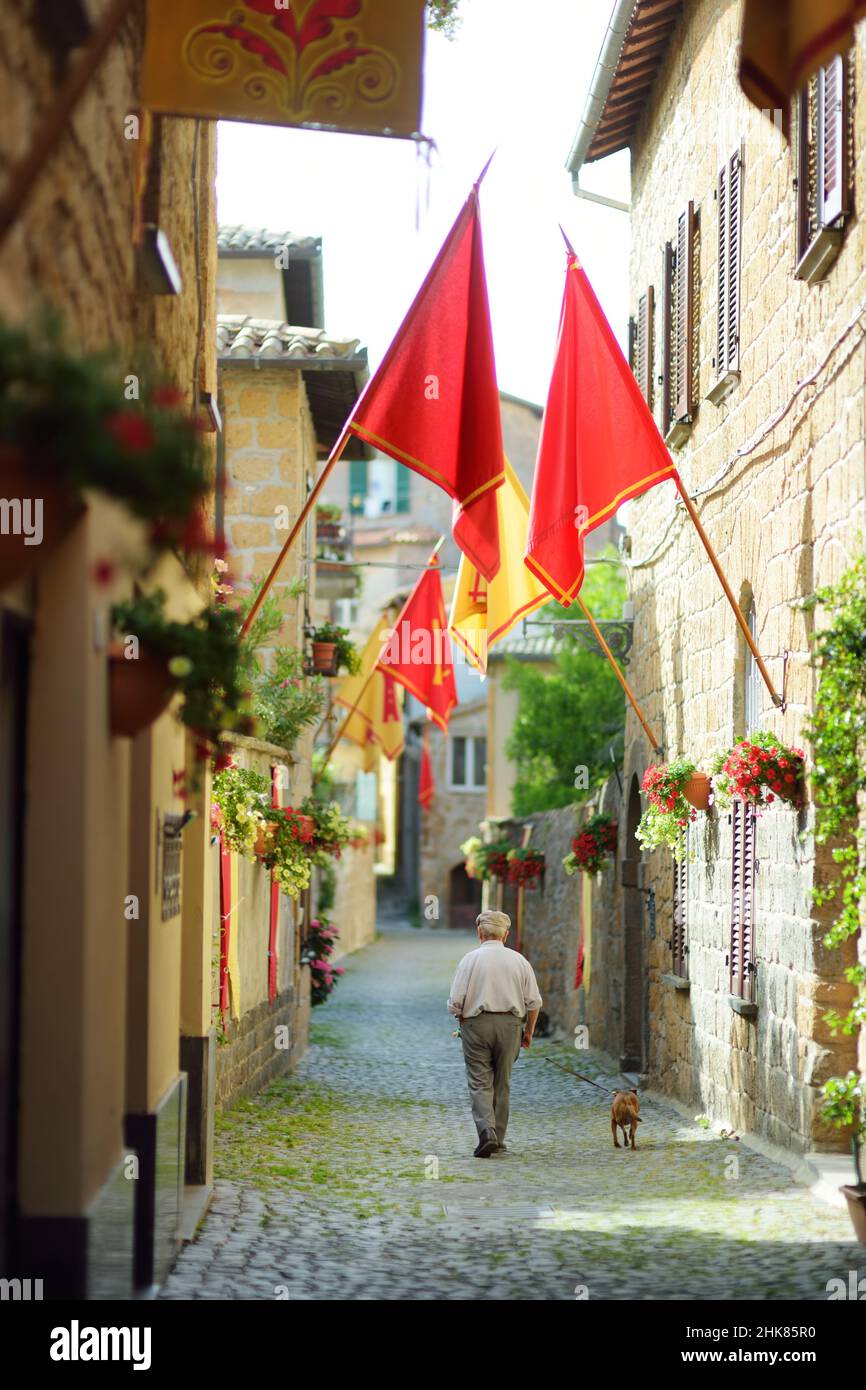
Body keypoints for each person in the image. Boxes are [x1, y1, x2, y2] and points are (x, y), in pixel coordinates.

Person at [447, 909, 543, 1158]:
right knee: (503, 1082)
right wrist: (528, 1033)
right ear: (506, 935)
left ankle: (486, 1132)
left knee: (480, 1081)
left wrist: (460, 1016)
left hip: (476, 1026)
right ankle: (498, 1139)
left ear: (480, 933)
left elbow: (455, 1001)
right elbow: (534, 1003)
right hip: (511, 1026)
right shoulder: (520, 961)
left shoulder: (470, 959)